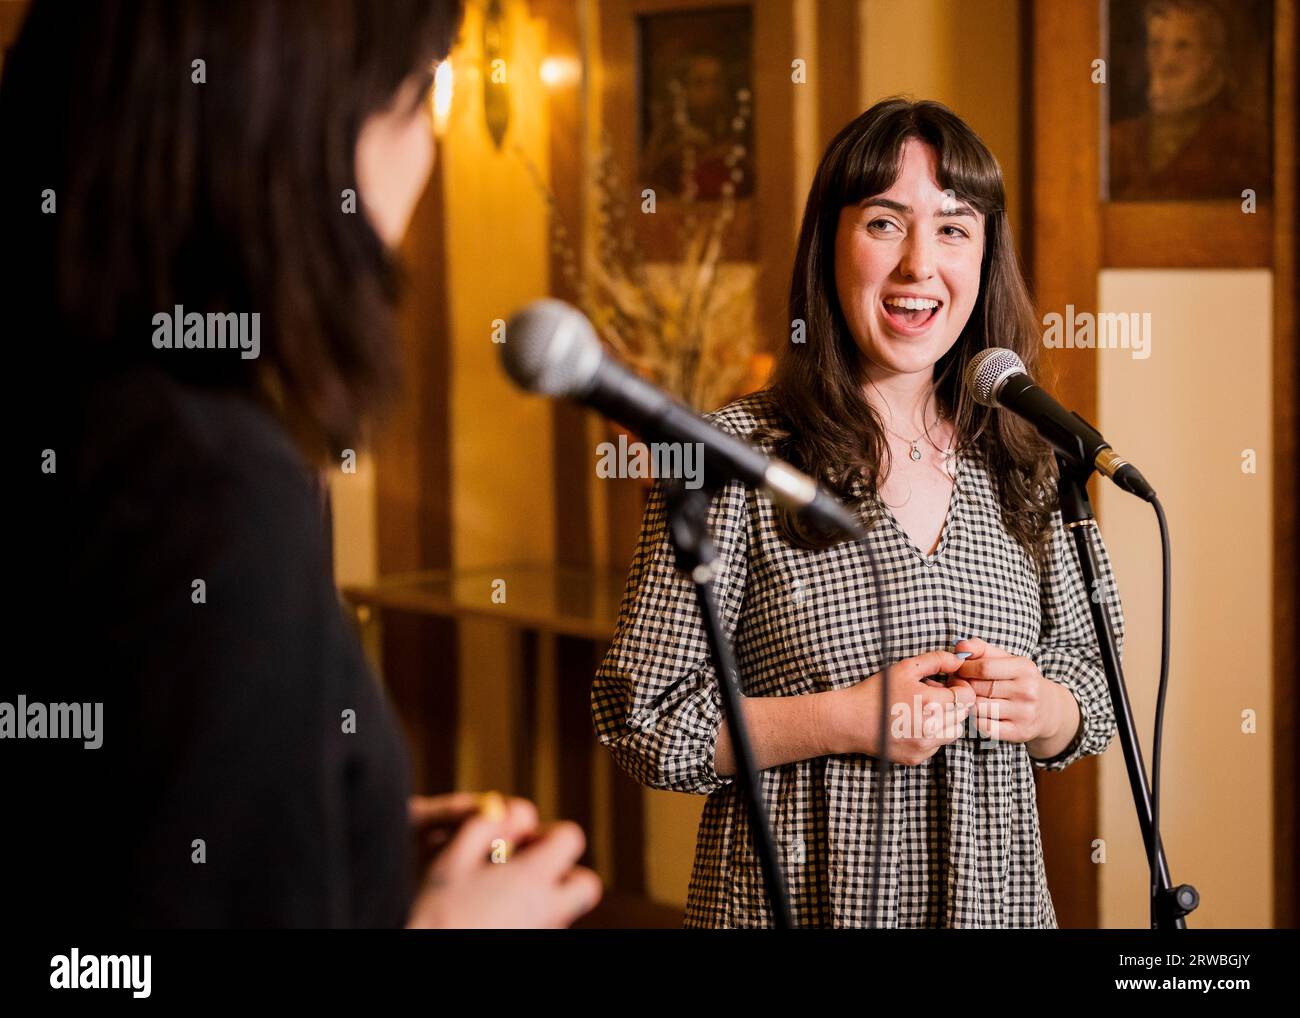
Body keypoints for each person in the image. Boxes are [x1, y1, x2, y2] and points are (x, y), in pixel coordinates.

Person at [4, 0, 600, 929]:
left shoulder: (88, 414)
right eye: (416, 100)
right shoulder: (208, 490)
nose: (428, 156)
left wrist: (336, 838)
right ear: (298, 135)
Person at [593, 97, 1123, 928]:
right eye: (885, 223)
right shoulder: (732, 456)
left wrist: (1047, 710)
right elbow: (644, 722)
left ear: (985, 255)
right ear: (830, 244)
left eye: (954, 227)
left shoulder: (1031, 455)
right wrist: (841, 719)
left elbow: (1095, 681)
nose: (920, 264)